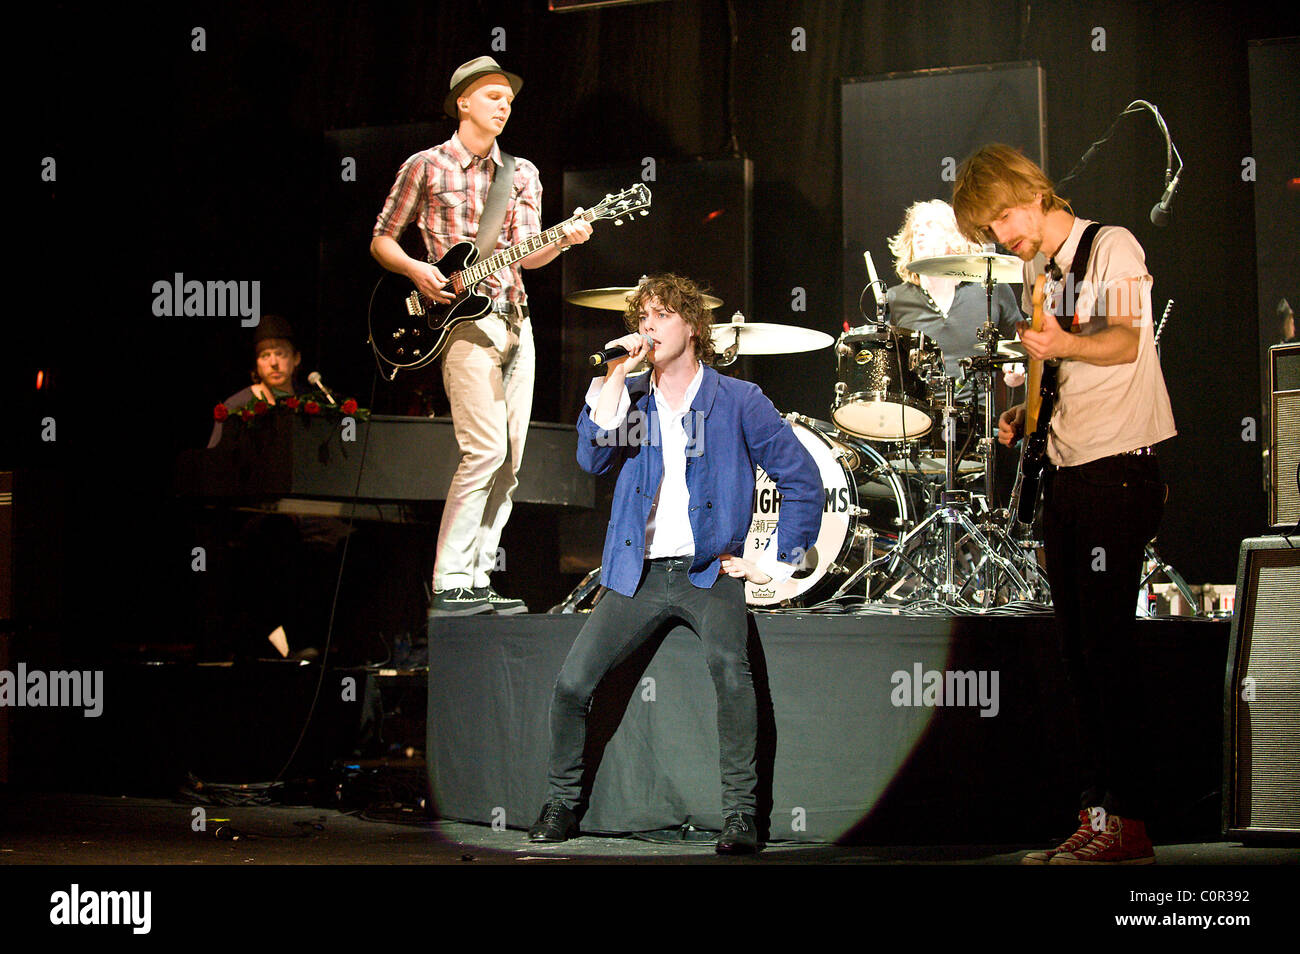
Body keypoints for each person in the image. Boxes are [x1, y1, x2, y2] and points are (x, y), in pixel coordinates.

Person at [527, 274, 822, 854]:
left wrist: (776, 562)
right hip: (635, 573)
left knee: (732, 678)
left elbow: (801, 477)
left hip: (708, 570)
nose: (648, 327)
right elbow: (590, 456)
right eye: (643, 318)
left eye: (662, 316)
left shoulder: (738, 400)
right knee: (570, 685)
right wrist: (613, 373)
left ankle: (741, 817)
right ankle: (561, 803)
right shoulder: (629, 401)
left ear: (692, 325)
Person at [953, 144, 1177, 865]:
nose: (1003, 234)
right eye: (990, 229)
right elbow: (1049, 358)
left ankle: (1132, 824)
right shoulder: (1033, 272)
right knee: (1078, 656)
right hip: (1069, 470)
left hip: (1119, 469)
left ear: (1033, 191)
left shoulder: (1109, 247)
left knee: (1108, 653)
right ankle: (1097, 813)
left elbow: (1122, 344)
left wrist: (1062, 343)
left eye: (1004, 216)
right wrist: (1027, 407)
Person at [370, 56, 592, 617]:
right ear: (463, 102)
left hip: (517, 318)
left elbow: (531, 254)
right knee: (485, 449)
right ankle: (448, 577)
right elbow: (382, 239)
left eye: (509, 100)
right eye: (493, 96)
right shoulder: (425, 166)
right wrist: (417, 271)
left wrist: (564, 239)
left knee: (512, 460)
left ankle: (478, 574)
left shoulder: (522, 174)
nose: (504, 106)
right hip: (463, 323)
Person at [884, 199, 1023, 407]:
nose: (920, 233)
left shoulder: (990, 289)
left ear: (953, 237)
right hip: (918, 424)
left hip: (980, 425)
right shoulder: (895, 299)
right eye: (916, 229)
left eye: (930, 226)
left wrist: (1017, 366)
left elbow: (1020, 338)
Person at [208, 313, 302, 449]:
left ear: (296, 358)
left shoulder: (308, 402)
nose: (274, 363)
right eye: (265, 355)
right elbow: (213, 459)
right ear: (256, 364)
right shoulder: (237, 405)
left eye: (280, 353)